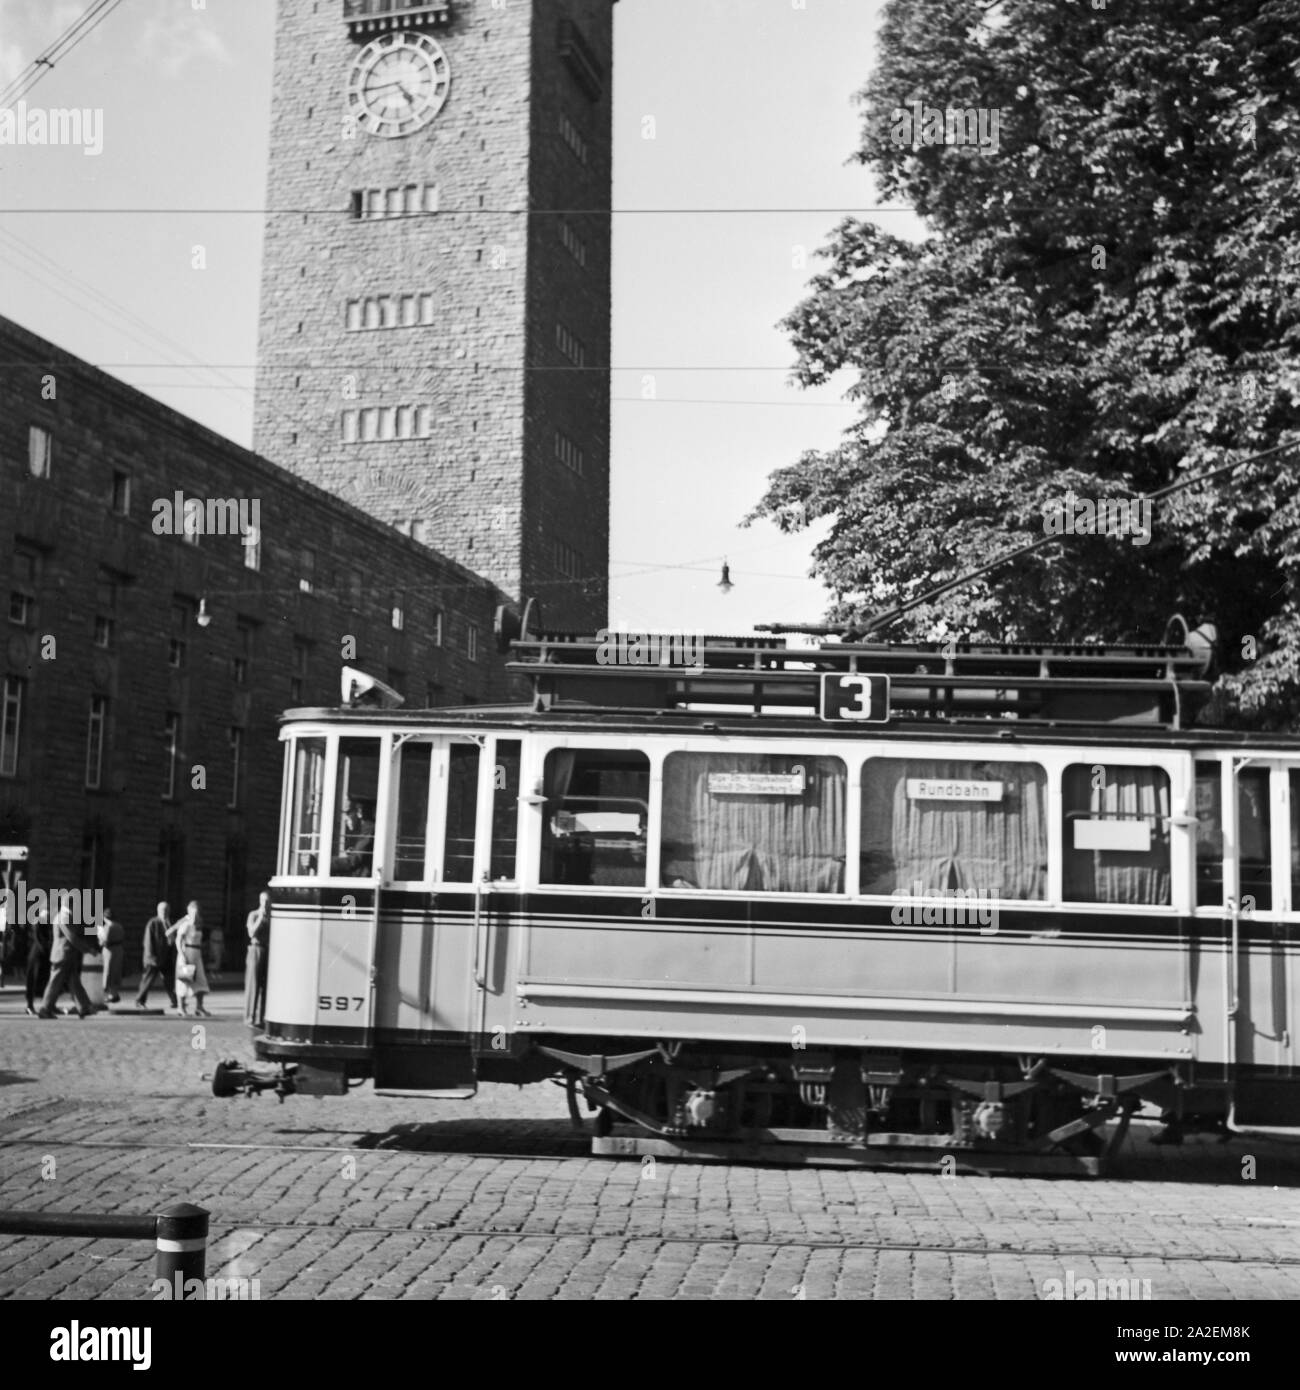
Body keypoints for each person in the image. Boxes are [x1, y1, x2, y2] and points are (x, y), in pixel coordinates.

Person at [37, 907, 93, 1018]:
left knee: (74, 982)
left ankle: (84, 1007)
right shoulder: (64, 917)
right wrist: (87, 949)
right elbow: (72, 937)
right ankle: (45, 1008)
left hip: (66, 955)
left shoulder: (64, 916)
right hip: (63, 954)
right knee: (55, 982)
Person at [167, 900, 210, 1018]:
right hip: (186, 953)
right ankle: (181, 1007)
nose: (196, 915)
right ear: (189, 912)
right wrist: (182, 955)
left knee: (200, 980)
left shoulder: (199, 925)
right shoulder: (185, 924)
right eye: (193, 912)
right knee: (184, 980)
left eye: (197, 912)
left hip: (197, 954)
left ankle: (199, 1007)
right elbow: (178, 940)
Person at [134, 902, 176, 1010]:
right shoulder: (153, 923)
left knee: (170, 980)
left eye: (167, 910)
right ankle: (139, 1000)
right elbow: (147, 942)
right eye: (163, 910)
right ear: (158, 911)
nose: (165, 912)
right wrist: (151, 957)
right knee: (148, 980)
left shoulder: (169, 922)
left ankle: (174, 1001)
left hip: (166, 957)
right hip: (154, 958)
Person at [244, 890, 271, 1026]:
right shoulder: (253, 915)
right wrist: (260, 918)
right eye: (263, 901)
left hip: (268, 950)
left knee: (265, 986)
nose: (265, 904)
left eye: (267, 901)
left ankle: (261, 1017)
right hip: (256, 949)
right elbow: (251, 933)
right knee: (253, 984)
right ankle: (250, 1016)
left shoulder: (272, 917)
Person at [24, 907, 51, 1016]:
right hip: (37, 957)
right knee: (33, 981)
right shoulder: (39, 923)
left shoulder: (41, 922)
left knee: (41, 981)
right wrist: (46, 949)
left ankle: (47, 1004)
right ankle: (30, 1006)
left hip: (40, 956)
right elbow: (39, 939)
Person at [97, 907, 125, 1003]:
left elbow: (103, 942)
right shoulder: (119, 926)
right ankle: (115, 993)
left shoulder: (107, 927)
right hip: (119, 950)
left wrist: (99, 935)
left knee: (109, 972)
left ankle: (111, 995)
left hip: (109, 951)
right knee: (116, 972)